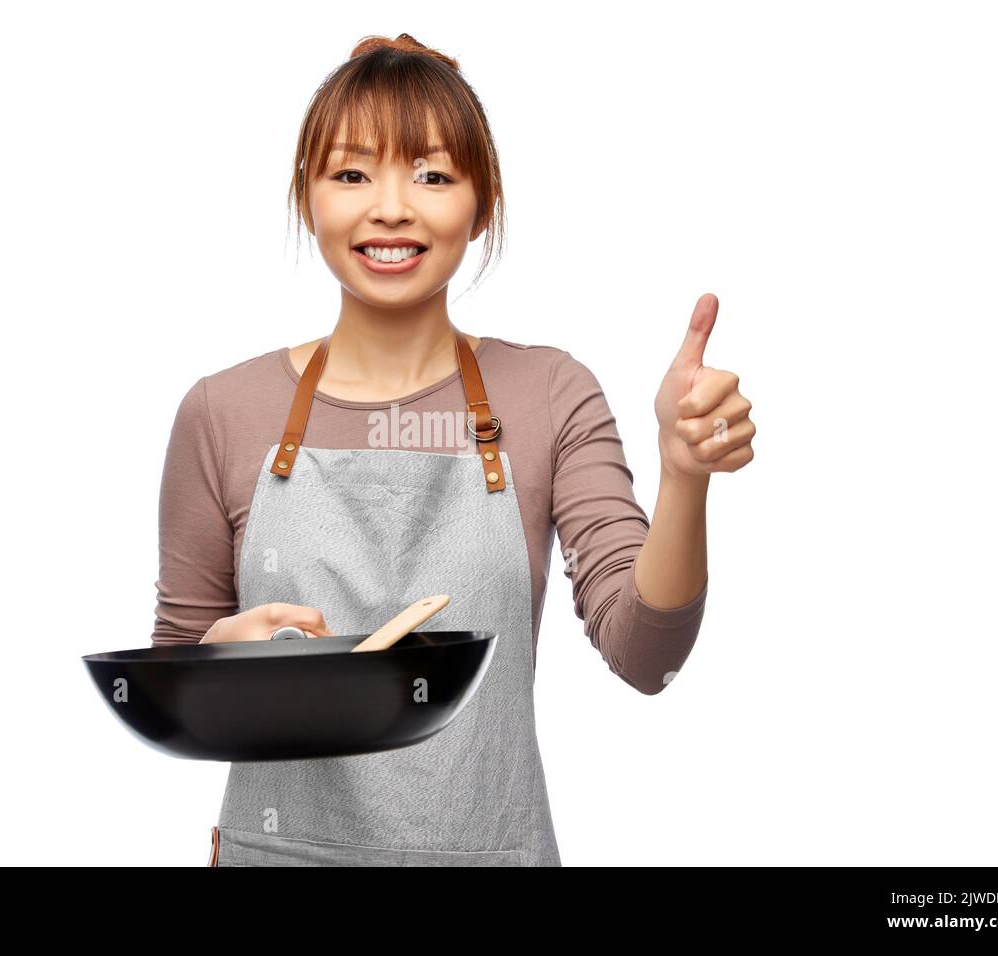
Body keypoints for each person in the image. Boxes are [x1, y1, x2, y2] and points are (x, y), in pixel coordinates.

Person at [151, 33, 756, 866]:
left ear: (483, 203)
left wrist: (685, 477)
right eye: (351, 173)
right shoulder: (223, 410)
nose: (390, 207)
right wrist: (221, 664)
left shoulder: (547, 394)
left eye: (431, 175)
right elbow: (173, 683)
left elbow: (645, 656)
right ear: (307, 198)